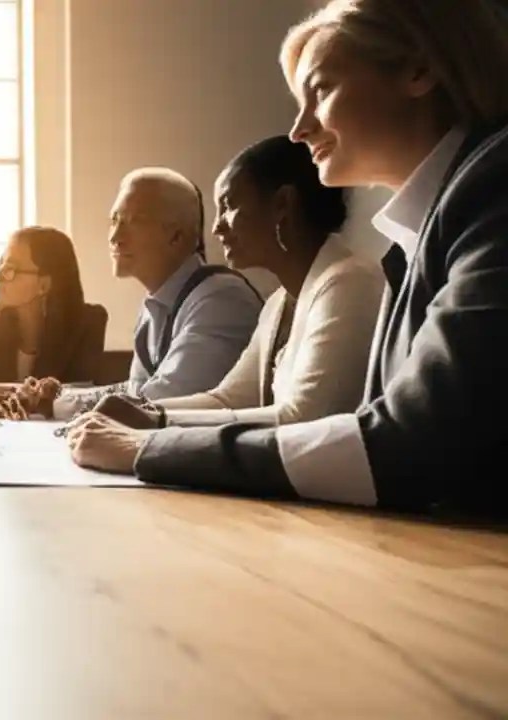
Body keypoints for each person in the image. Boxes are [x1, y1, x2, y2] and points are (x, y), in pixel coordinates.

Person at [71, 0, 508, 515]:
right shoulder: (420, 234)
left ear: (418, 68)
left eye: (320, 90)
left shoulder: (491, 190)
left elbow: (408, 443)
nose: (299, 129)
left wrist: (150, 447)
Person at [81, 136, 384, 434]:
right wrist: (150, 413)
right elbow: (229, 398)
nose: (216, 227)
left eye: (228, 205)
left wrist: (158, 421)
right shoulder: (279, 303)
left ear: (282, 204)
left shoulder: (348, 282)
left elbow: (302, 421)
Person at [12, 168, 263, 421]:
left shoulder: (221, 300)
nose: (115, 237)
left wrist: (53, 405)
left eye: (136, 221)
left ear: (177, 236)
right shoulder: (153, 308)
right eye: (114, 220)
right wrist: (55, 396)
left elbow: (162, 399)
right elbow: (134, 390)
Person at [0, 226, 108, 415]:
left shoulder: (88, 321)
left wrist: (12, 396)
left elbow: (80, 399)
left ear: (44, 285)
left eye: (10, 269)